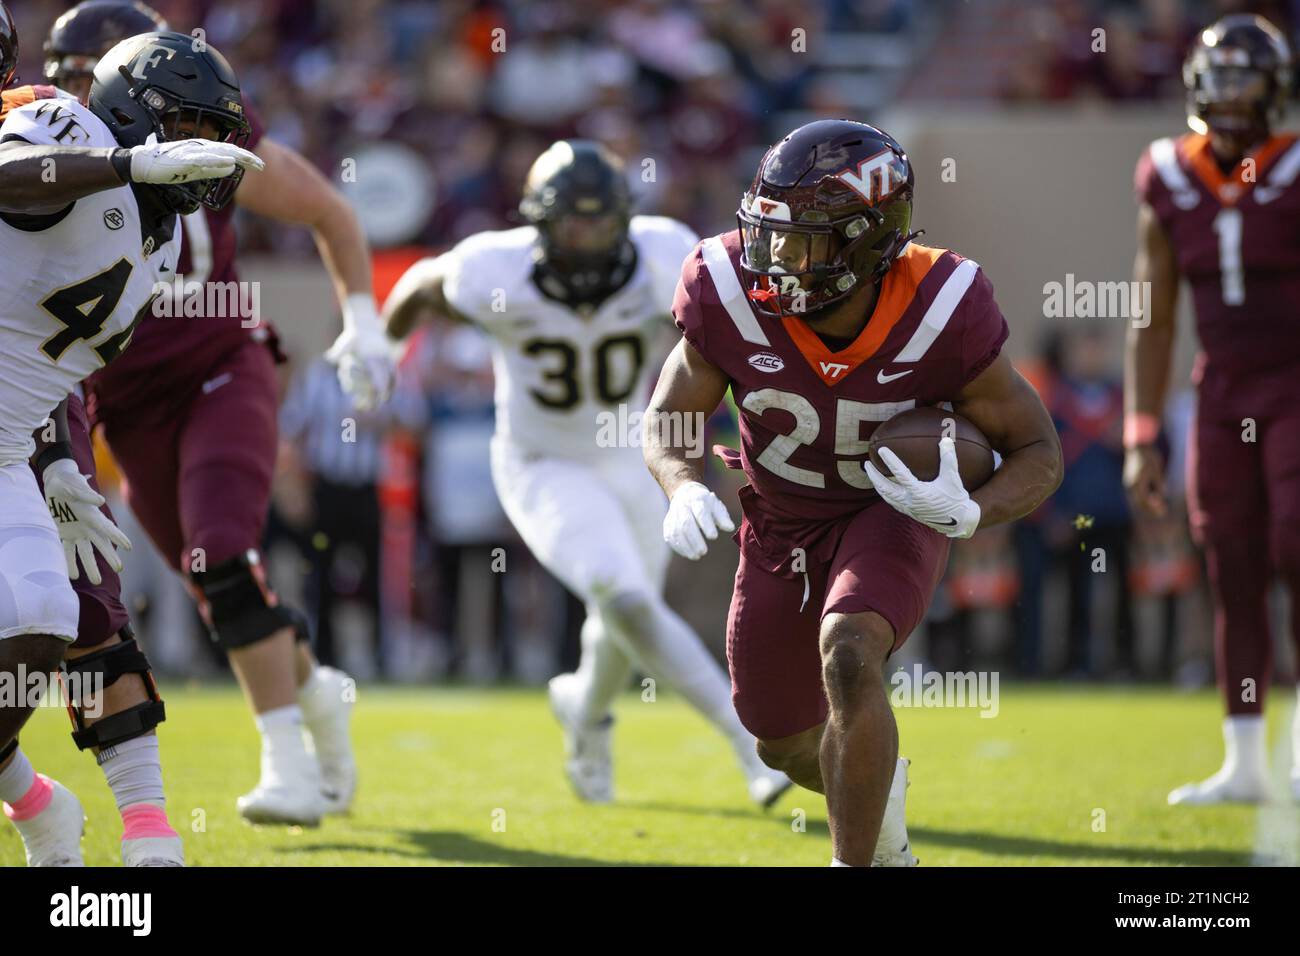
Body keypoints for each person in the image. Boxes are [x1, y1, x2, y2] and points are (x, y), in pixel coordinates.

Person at [643, 119, 1062, 865]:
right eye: (770, 233)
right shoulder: (727, 284)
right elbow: (670, 415)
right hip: (778, 523)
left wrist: (974, 510)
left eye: (804, 239)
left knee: (848, 651)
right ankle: (883, 811)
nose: (776, 257)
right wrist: (679, 484)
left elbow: (1037, 448)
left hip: (889, 512)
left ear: (867, 242)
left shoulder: (943, 304)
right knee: (782, 742)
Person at [34, 0, 396, 827]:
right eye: (77, 82)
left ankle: (289, 766)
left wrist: (366, 323)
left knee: (222, 550)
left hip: (217, 365)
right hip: (119, 401)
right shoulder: (46, 155)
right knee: (211, 582)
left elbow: (328, 211)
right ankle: (318, 700)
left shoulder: (202, 128)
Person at [383, 140, 790, 807]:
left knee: (624, 613)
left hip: (632, 455)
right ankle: (750, 746)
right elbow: (420, 287)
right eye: (577, 221)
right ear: (541, 221)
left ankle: (585, 713)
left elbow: (725, 333)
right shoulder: (496, 266)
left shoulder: (661, 252)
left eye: (603, 220)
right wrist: (378, 346)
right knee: (623, 595)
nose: (592, 236)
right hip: (543, 462)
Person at [0, 21, 262, 866]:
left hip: (9, 446)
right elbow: (9, 178)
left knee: (46, 617)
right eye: (191, 131)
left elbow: (33, 359)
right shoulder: (66, 127)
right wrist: (128, 164)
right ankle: (39, 807)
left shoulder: (155, 246)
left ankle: (37, 803)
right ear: (134, 113)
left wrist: (59, 463)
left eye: (219, 139)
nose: (207, 154)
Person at [1126, 14, 1300, 804]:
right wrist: (1142, 431)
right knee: (1229, 564)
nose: (1230, 95)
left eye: (1245, 78)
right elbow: (1152, 312)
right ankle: (1246, 763)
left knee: (1297, 548)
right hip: (1223, 389)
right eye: (1218, 77)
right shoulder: (1167, 172)